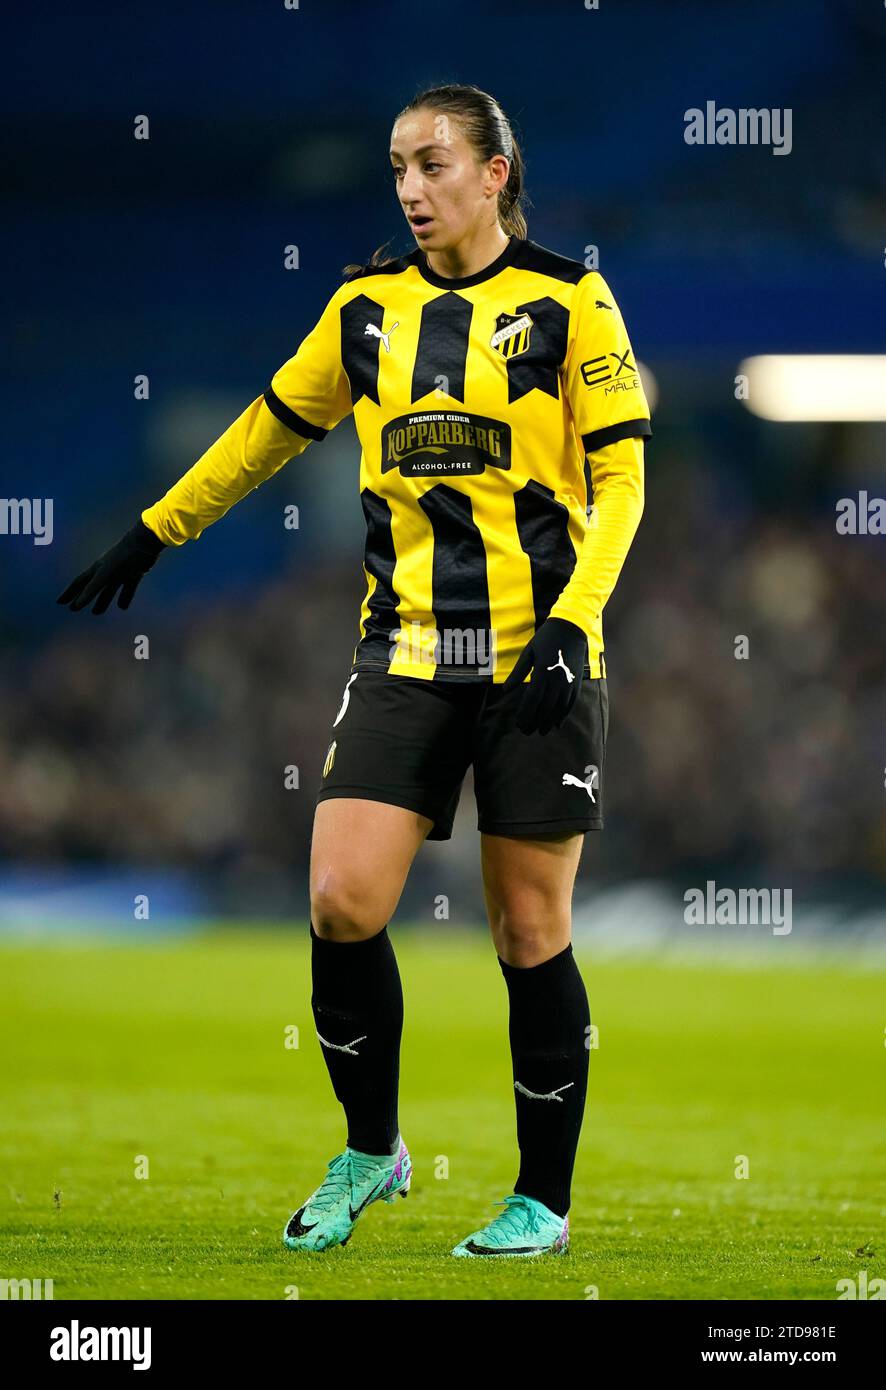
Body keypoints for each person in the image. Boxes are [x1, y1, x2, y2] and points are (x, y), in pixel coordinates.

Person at [58, 83, 651, 1259]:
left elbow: (625, 478)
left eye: (433, 165)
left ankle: (540, 1198)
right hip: (405, 653)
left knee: (528, 929)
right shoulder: (364, 311)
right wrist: (155, 529)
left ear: (495, 172)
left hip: (539, 654)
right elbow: (266, 429)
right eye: (396, 169)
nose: (411, 190)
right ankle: (371, 1149)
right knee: (340, 898)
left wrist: (577, 621)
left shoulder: (570, 302)